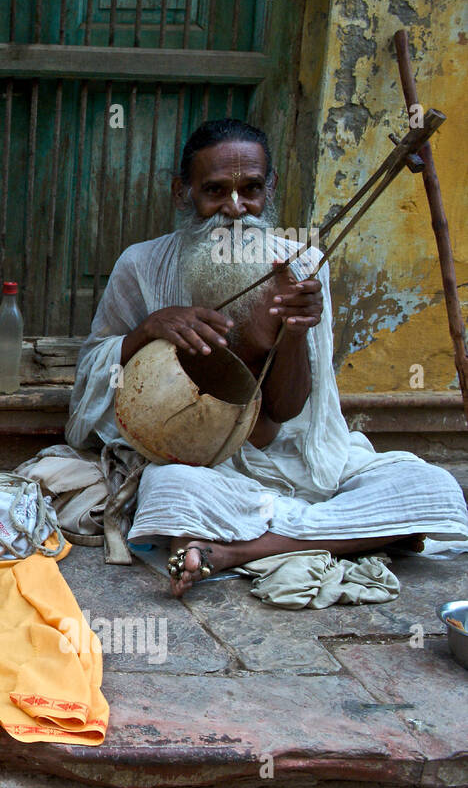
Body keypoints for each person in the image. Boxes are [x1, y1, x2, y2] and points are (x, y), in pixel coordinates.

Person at [67, 118, 468, 597]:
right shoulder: (142, 265)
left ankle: (235, 552)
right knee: (169, 491)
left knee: (431, 488)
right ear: (182, 192)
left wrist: (294, 335)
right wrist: (147, 331)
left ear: (269, 188)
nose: (235, 209)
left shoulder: (301, 266)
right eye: (215, 190)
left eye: (251, 189)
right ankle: (336, 535)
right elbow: (95, 367)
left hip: (293, 458)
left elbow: (288, 411)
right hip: (198, 464)